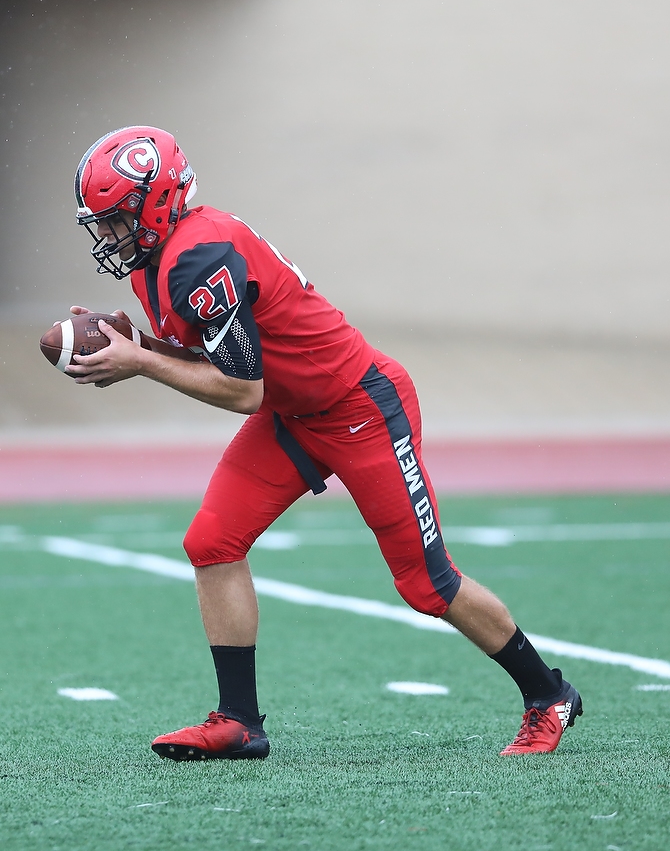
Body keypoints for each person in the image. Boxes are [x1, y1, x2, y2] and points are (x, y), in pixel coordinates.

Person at [65, 126, 583, 759]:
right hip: (295, 414)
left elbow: (241, 389)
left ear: (156, 202)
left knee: (426, 584)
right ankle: (239, 721)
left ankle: (549, 694)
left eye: (116, 218)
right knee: (211, 542)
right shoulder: (161, 262)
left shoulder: (200, 256)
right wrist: (141, 347)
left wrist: (143, 362)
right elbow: (226, 359)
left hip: (359, 407)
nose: (109, 234)